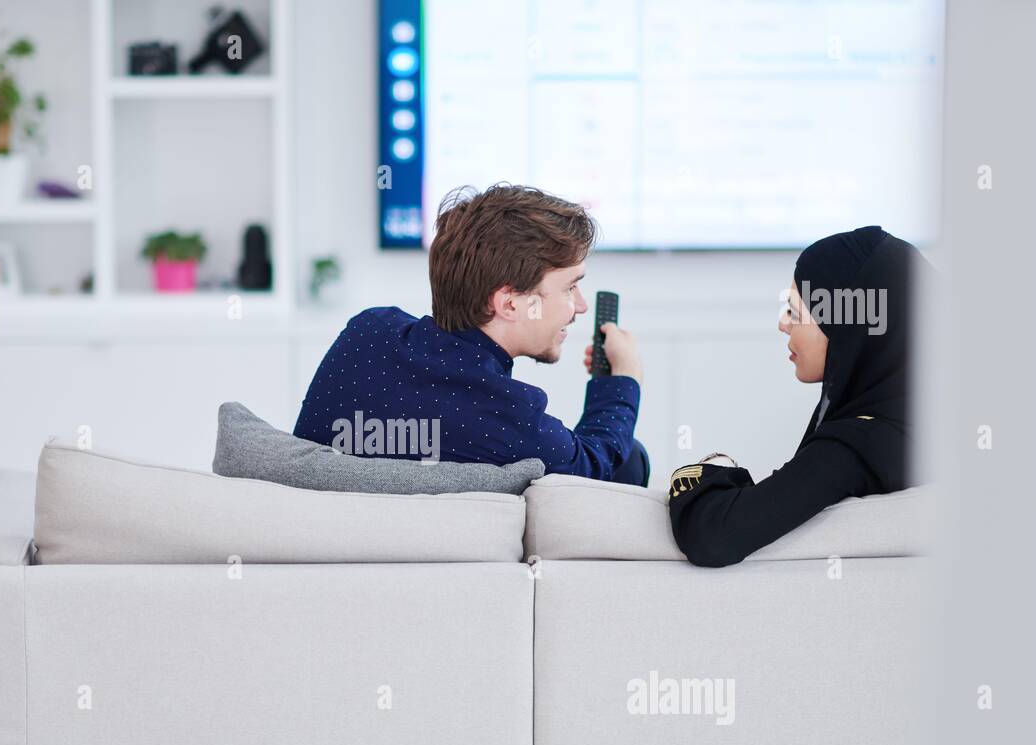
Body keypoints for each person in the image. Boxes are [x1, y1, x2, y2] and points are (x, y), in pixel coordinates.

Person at [293, 184, 649, 484]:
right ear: (509, 304)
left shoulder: (366, 333)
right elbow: (593, 467)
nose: (581, 306)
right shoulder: (511, 419)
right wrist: (623, 378)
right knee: (631, 458)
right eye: (570, 288)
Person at [668, 225, 925, 567]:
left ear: (847, 325)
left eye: (795, 311)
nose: (783, 324)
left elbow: (713, 536)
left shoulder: (861, 445)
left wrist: (714, 469)